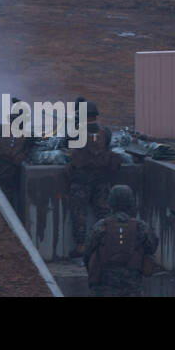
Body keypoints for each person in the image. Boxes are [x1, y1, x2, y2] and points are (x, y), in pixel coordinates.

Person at [67, 99, 120, 258]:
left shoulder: (76, 131)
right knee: (103, 212)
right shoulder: (106, 131)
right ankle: (106, 244)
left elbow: (66, 144)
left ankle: (81, 246)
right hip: (102, 178)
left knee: (79, 213)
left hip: (82, 179)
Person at [84, 184, 158, 296]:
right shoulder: (141, 227)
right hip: (132, 288)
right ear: (131, 203)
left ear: (110, 202)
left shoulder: (100, 226)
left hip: (103, 288)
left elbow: (87, 253)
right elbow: (152, 248)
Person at [0, 96, 35, 201]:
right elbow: (11, 153)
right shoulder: (23, 135)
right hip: (4, 169)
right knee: (5, 198)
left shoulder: (1, 128)